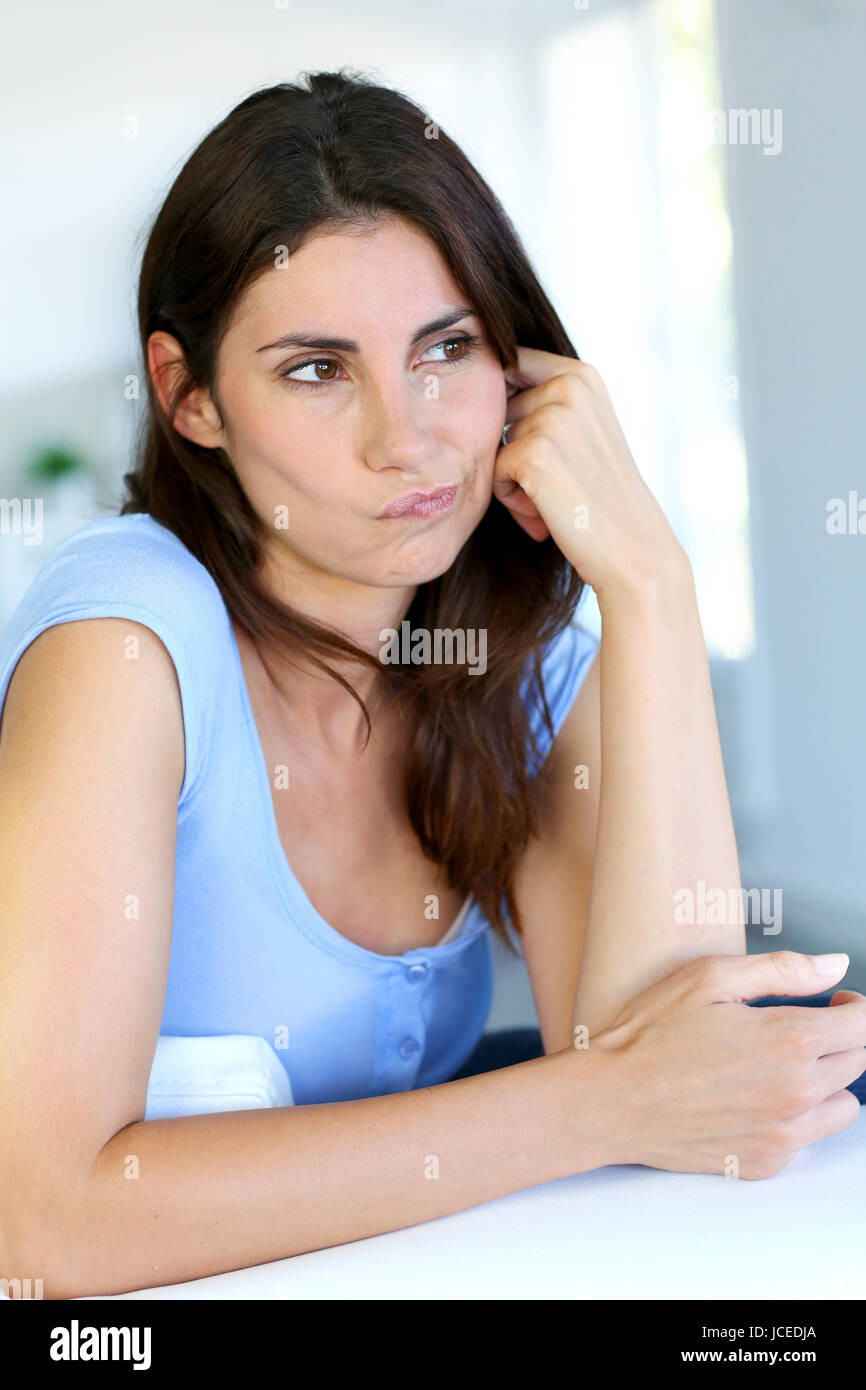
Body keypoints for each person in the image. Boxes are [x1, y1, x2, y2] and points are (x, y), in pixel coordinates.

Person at [1, 70, 863, 1301]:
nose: (404, 440)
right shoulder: (127, 641)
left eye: (444, 349)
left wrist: (652, 584)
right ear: (189, 396)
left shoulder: (508, 645)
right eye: (315, 369)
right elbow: (40, 1225)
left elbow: (680, 1103)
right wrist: (597, 1104)